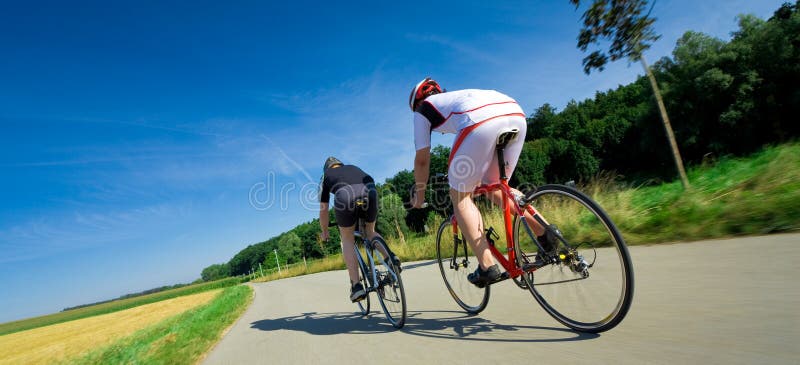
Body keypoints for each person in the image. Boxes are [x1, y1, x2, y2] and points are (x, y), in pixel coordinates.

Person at [408, 77, 549, 287]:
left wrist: (419, 196)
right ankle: (547, 235)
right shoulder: (457, 98)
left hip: (480, 121)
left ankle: (487, 266)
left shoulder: (422, 110)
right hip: (515, 113)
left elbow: (421, 161)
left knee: (460, 197)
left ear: (417, 102)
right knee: (496, 186)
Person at [319, 157, 401, 302]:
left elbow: (323, 209)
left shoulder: (326, 176)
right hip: (370, 191)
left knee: (347, 238)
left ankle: (356, 286)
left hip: (345, 196)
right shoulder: (352, 167)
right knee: (370, 231)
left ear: (327, 168)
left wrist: (325, 231)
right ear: (340, 165)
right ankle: (391, 258)